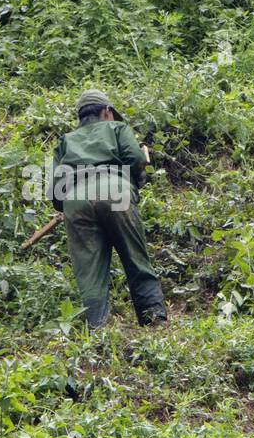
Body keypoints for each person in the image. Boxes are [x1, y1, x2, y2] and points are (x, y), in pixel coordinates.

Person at [50, 89, 167, 329]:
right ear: (106, 112)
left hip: (76, 201)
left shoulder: (66, 141)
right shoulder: (118, 129)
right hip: (115, 192)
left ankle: (96, 329)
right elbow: (135, 158)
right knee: (135, 257)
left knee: (89, 271)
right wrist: (135, 181)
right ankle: (154, 319)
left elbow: (55, 190)